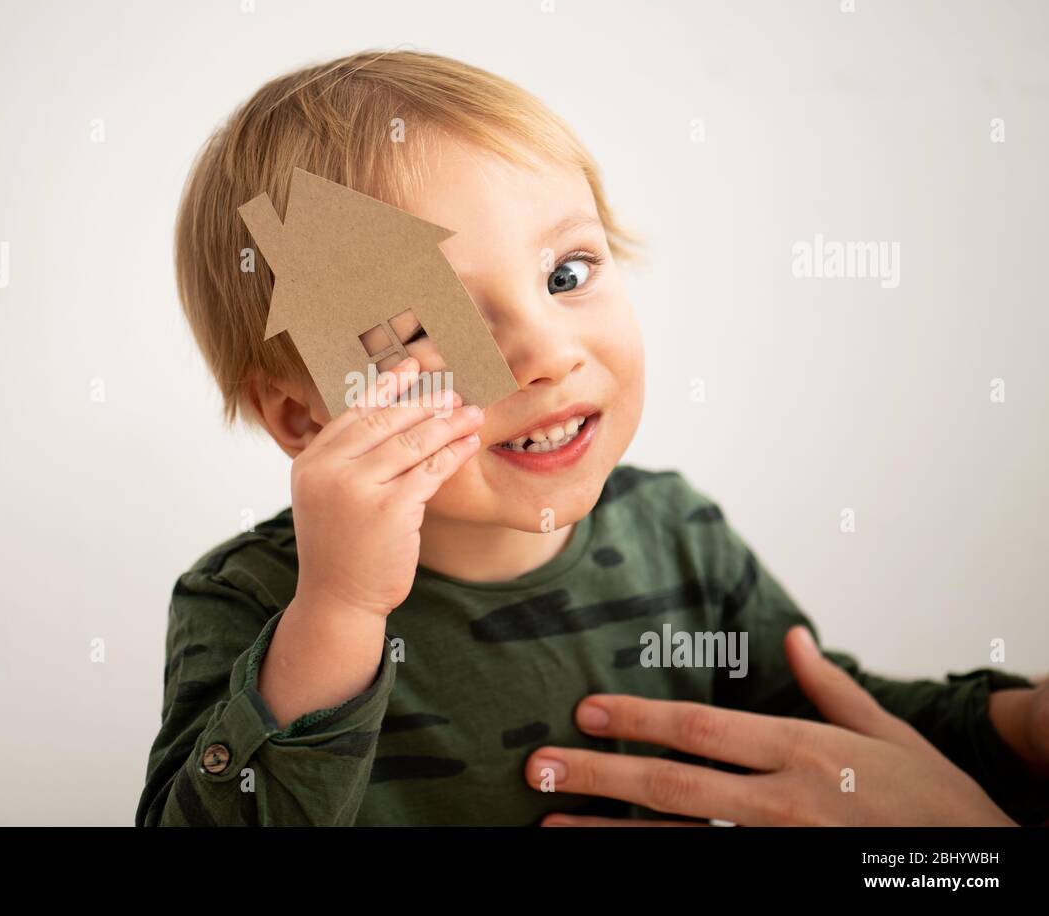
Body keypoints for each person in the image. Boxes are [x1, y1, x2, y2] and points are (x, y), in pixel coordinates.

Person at [136, 48, 1049, 826]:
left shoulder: (678, 534)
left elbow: (840, 746)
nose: (544, 353)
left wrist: (1021, 727)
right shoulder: (256, 601)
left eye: (566, 273)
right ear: (303, 418)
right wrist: (337, 612)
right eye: (422, 330)